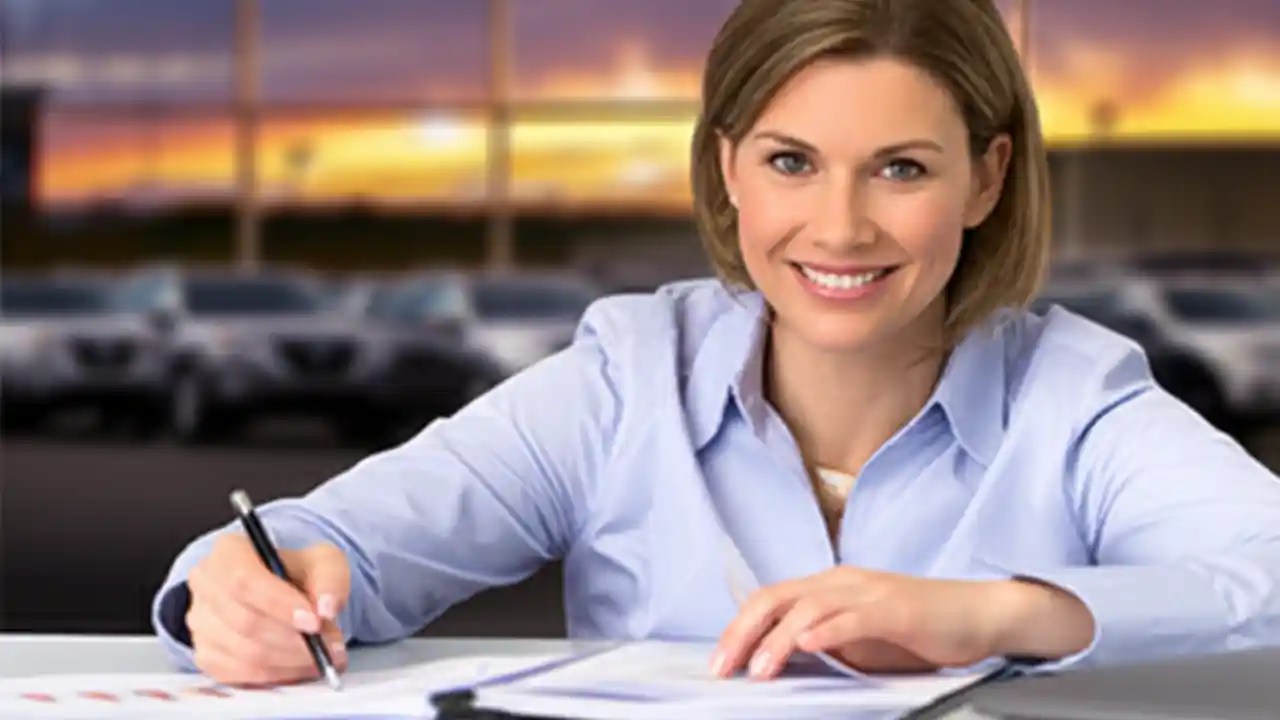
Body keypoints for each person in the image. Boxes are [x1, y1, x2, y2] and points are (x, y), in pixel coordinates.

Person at [152, 0, 1280, 687]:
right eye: (791, 162)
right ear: (728, 164)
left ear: (984, 177)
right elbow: (329, 543)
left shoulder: (1073, 398)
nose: (838, 227)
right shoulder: (626, 373)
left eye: (901, 168)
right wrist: (248, 588)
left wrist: (997, 616)